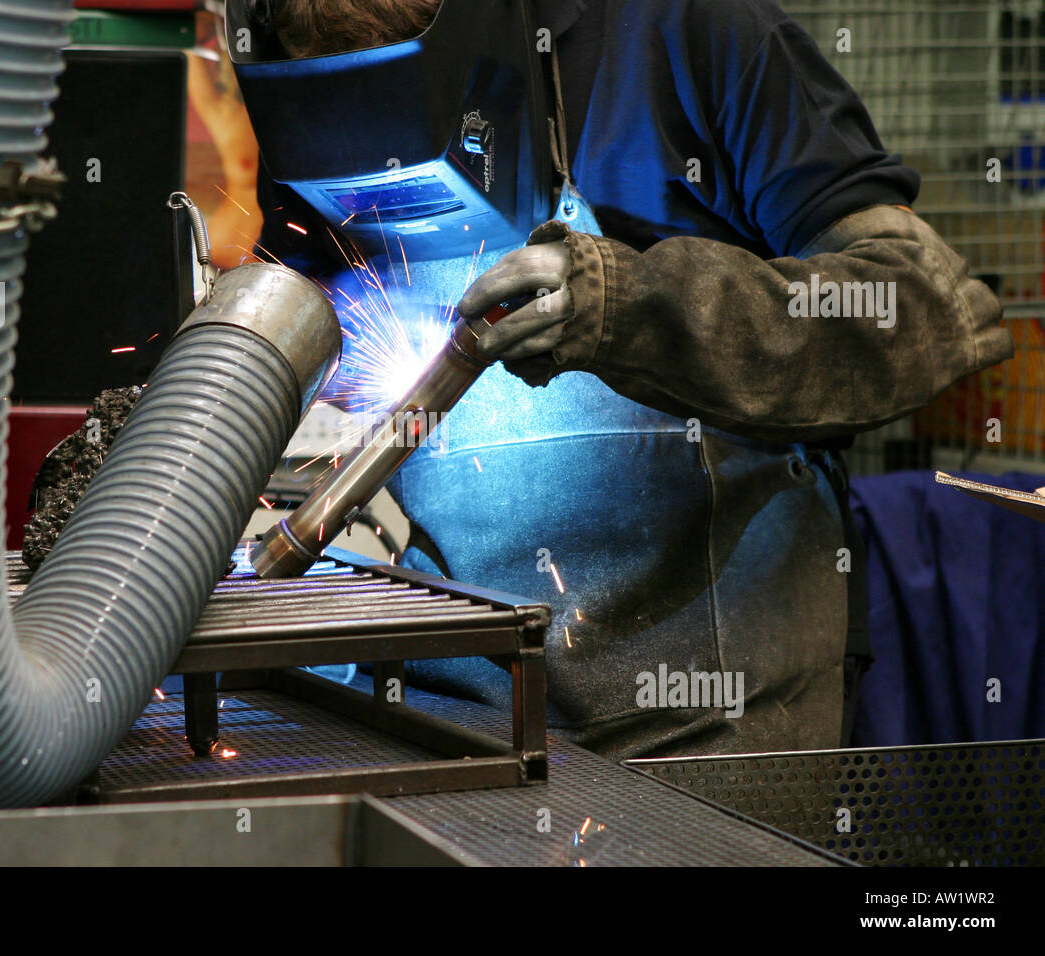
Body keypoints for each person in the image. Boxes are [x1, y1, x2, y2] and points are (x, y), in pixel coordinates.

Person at [246, 0, 1014, 758]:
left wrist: (634, 308)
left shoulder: (696, 35)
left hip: (708, 720)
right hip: (457, 706)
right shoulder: (302, 81)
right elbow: (314, 321)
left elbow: (922, 309)